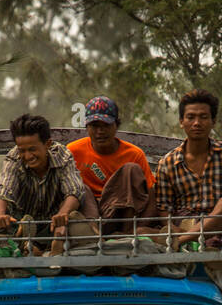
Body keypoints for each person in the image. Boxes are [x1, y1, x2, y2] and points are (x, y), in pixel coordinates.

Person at [156, 90, 222, 290]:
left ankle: (180, 241)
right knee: (142, 231)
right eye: (191, 117)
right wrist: (174, 227)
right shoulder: (168, 162)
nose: (197, 123)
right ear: (181, 122)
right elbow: (164, 207)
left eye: (203, 117)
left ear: (213, 122)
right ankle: (183, 238)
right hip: (186, 222)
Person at [0, 113, 96, 256]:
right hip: (23, 219)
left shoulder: (62, 155)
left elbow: (74, 190)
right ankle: (27, 243)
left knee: (72, 215)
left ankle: (48, 245)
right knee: (0, 229)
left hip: (53, 223)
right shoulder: (13, 157)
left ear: (47, 144)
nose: (28, 156)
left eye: (33, 149)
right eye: (22, 150)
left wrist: (62, 214)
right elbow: (5, 188)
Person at [66, 96, 159, 239]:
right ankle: (94, 232)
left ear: (116, 125)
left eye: (106, 125)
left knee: (131, 169)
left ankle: (125, 234)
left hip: (120, 216)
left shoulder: (134, 154)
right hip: (88, 213)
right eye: (95, 126)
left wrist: (139, 227)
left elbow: (151, 197)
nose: (100, 131)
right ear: (87, 127)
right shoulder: (73, 151)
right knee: (80, 188)